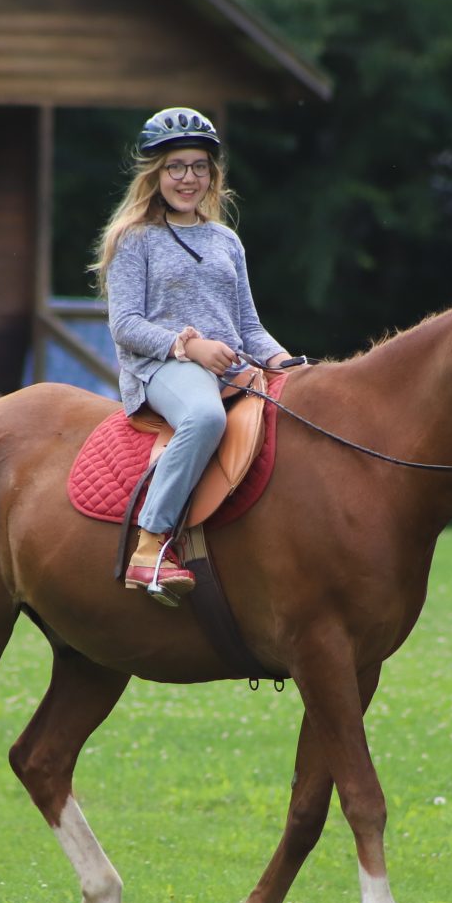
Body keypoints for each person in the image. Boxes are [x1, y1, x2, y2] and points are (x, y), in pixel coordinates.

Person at [93, 107, 296, 605]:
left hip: (232, 368)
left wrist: (288, 363)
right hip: (163, 368)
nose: (189, 178)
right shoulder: (133, 239)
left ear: (213, 174)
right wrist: (188, 346)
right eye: (176, 167)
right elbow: (125, 326)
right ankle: (150, 544)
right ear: (155, 174)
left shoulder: (226, 240)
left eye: (199, 166)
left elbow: (248, 327)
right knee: (205, 417)